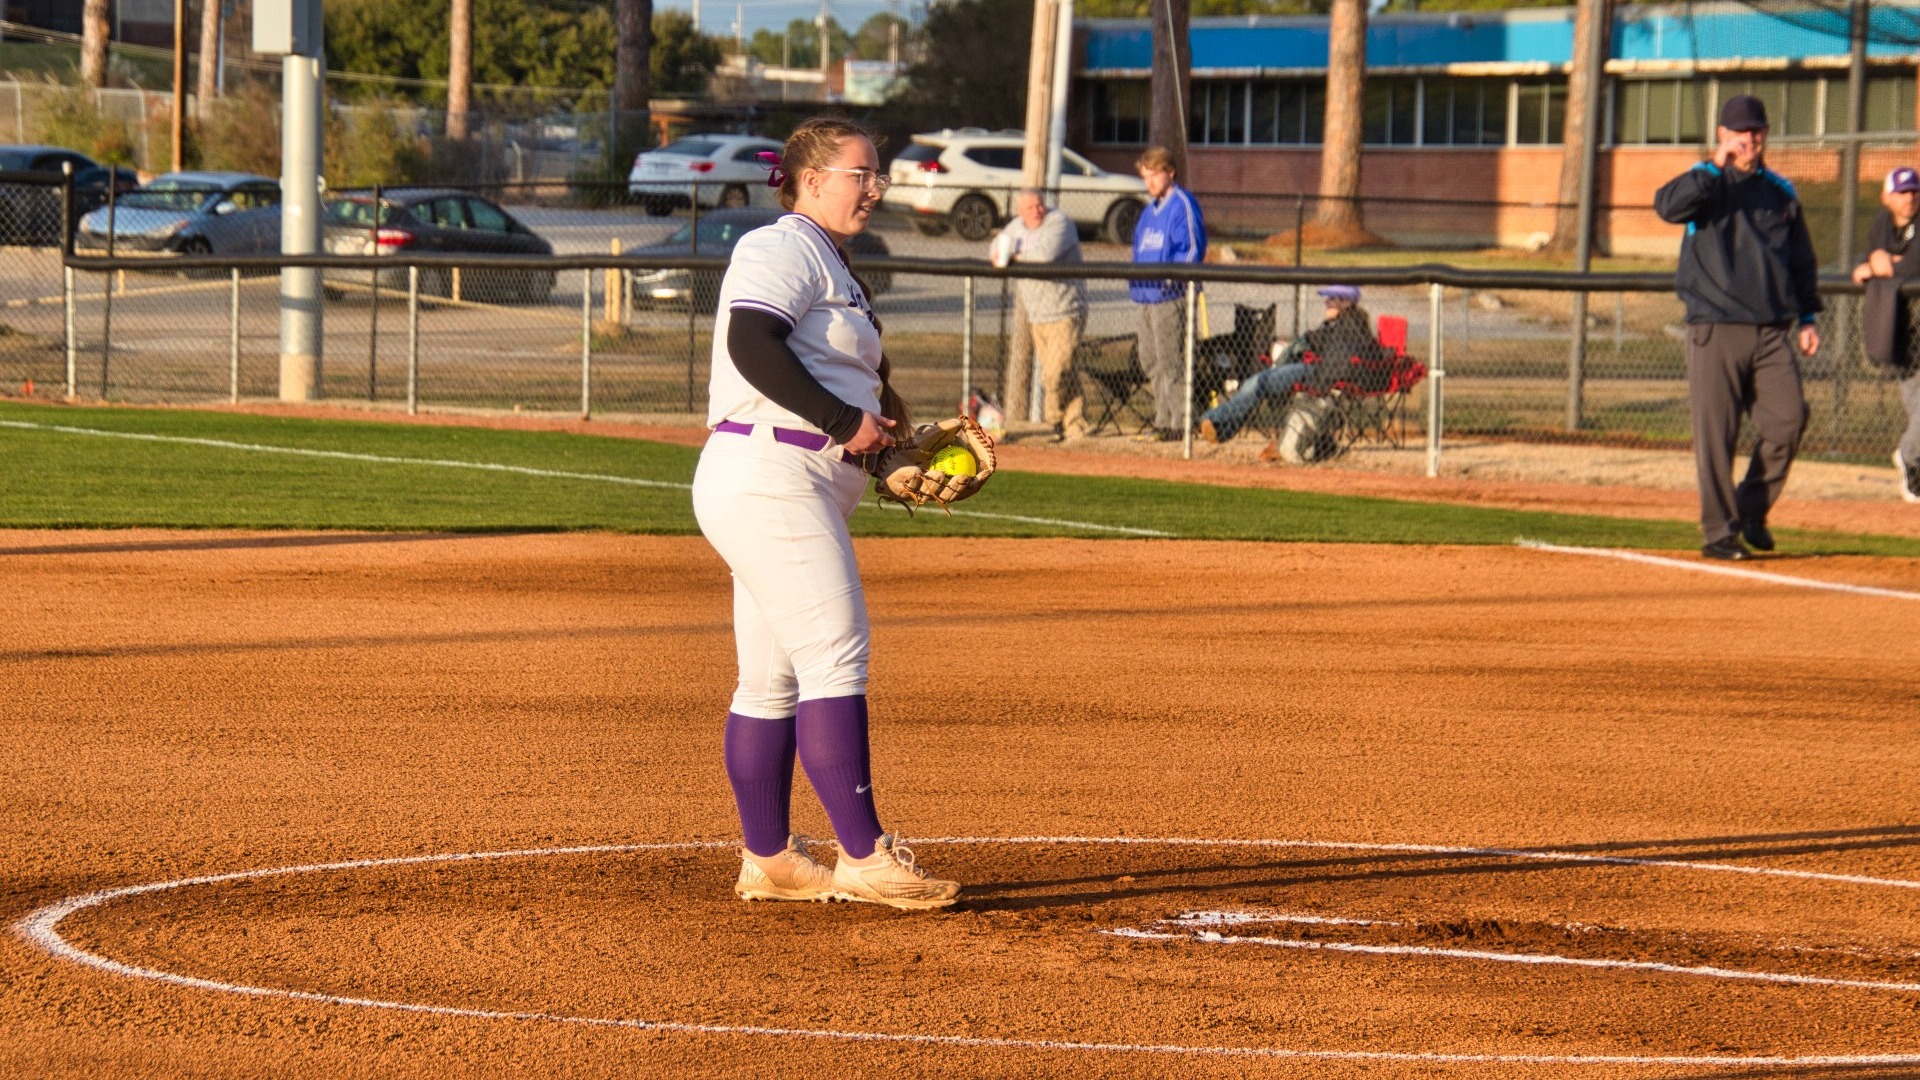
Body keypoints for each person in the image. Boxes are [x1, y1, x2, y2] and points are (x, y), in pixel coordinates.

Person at [691, 116, 961, 910]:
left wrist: (885, 453)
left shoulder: (831, 264)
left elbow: (835, 385)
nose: (875, 188)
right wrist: (849, 427)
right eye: (861, 173)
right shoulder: (782, 246)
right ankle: (864, 855)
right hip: (770, 473)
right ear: (811, 180)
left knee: (770, 679)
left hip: (784, 474)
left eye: (875, 175)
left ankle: (769, 858)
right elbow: (752, 344)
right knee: (836, 656)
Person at [1654, 94, 1821, 561]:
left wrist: (1807, 317)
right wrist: (1711, 167)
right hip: (1716, 325)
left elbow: (1802, 261)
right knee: (1717, 435)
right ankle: (1718, 533)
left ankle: (1750, 510)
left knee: (1788, 420)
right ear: (1723, 135)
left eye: (1756, 130)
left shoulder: (1781, 192)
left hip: (1771, 330)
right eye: (1740, 131)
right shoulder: (1705, 184)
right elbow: (1667, 207)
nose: (1749, 139)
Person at [1197, 285, 1383, 449]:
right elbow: (1320, 344)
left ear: (1346, 303)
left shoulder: (1350, 326)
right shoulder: (1342, 325)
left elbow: (1332, 356)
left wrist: (1300, 349)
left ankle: (1213, 419)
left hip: (1316, 375)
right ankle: (1222, 430)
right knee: (1259, 383)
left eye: (1333, 299)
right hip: (1316, 370)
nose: (1327, 302)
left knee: (1257, 382)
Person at [992, 188, 1089, 440]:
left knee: (1056, 372)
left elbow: (1045, 256)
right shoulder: (1016, 227)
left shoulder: (1059, 222)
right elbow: (996, 247)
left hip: (1066, 309)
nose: (1038, 210)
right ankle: (1073, 426)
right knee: (1064, 371)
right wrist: (1001, 253)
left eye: (1040, 205)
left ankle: (1052, 417)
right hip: (1037, 314)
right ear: (1019, 211)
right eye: (1031, 207)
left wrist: (1013, 256)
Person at [1129, 146, 1207, 442]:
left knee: (1171, 361)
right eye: (1144, 176)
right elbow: (1139, 250)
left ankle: (1182, 422)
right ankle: (1163, 419)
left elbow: (1190, 250)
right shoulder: (1149, 211)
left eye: (1154, 175)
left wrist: (1169, 280)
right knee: (1150, 359)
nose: (1149, 182)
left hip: (1170, 296)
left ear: (1170, 172)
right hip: (1146, 296)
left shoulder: (1182, 204)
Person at [1852, 165, 1920, 503]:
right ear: (1886, 197)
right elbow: (1869, 256)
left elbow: (1914, 266)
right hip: (1906, 341)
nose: (1909, 198)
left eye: (1914, 192)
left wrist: (1885, 264)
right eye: (1902, 192)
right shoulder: (1882, 222)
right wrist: (1874, 257)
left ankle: (1908, 457)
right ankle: (1913, 466)